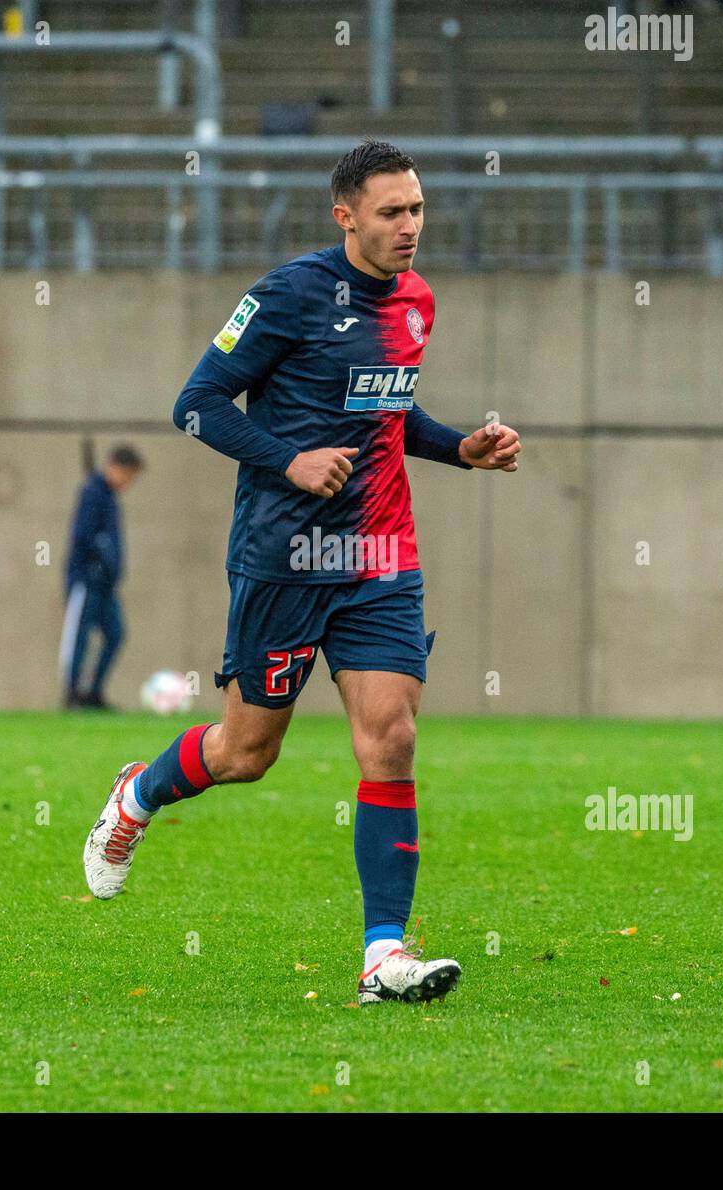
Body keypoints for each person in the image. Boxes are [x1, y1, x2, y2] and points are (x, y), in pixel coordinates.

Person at [82, 139, 521, 1005]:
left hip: (379, 553)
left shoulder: (419, 303)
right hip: (283, 557)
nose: (410, 226)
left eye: (419, 208)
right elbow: (195, 405)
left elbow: (390, 416)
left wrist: (460, 449)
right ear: (345, 215)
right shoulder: (285, 295)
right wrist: (287, 459)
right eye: (393, 211)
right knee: (246, 754)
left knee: (391, 738)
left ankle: (382, 956)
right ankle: (138, 793)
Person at [60, 444, 142, 711]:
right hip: (86, 580)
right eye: (128, 476)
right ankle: (72, 694)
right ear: (115, 467)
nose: (128, 483)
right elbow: (83, 536)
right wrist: (100, 560)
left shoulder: (109, 497)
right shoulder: (92, 493)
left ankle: (94, 693)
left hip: (106, 585)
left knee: (115, 634)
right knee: (79, 636)